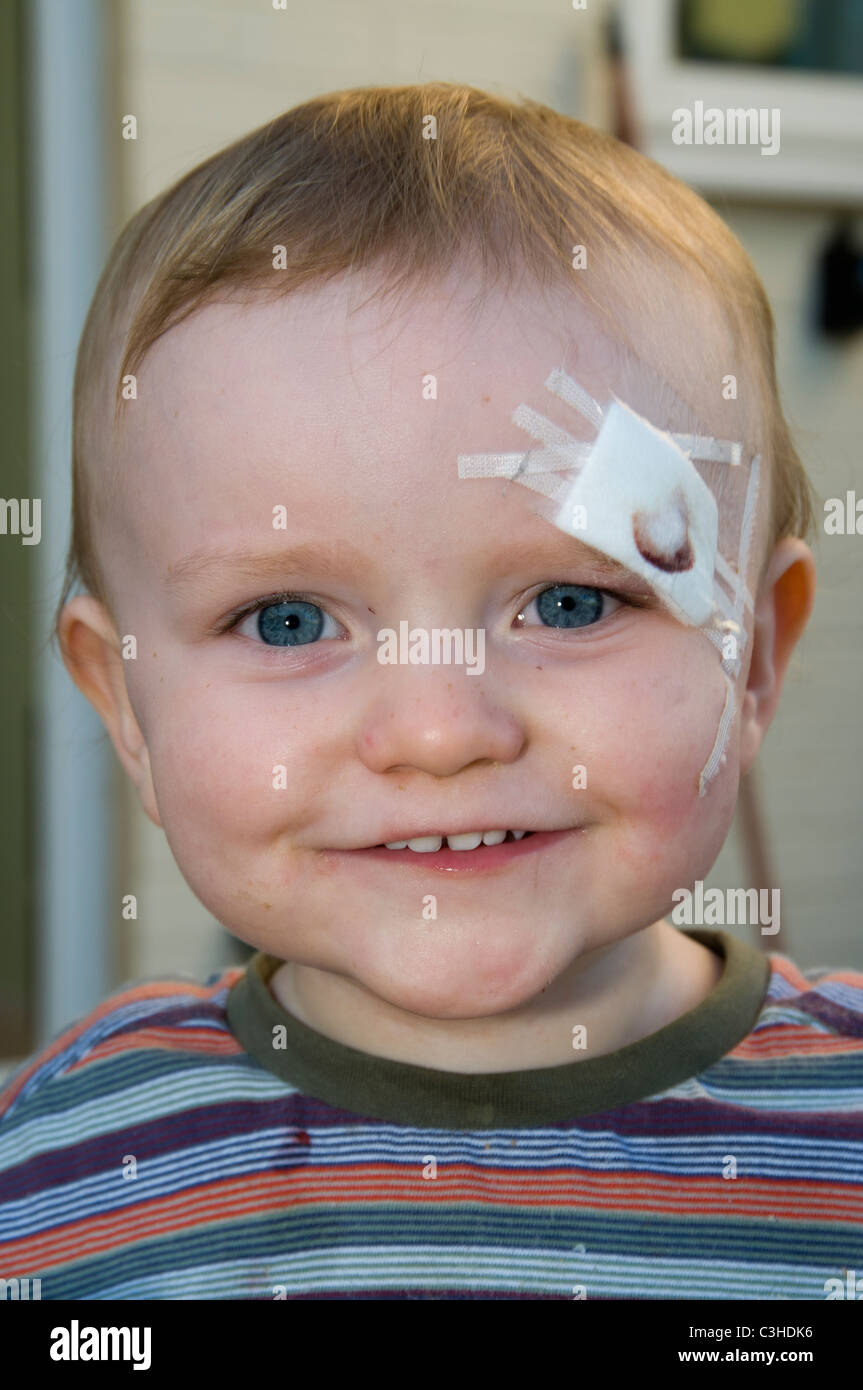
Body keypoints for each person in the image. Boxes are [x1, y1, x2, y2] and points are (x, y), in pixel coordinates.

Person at [1, 83, 860, 1301]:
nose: (439, 732)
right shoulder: (55, 1174)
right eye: (287, 620)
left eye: (568, 603)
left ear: (754, 653)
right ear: (126, 705)